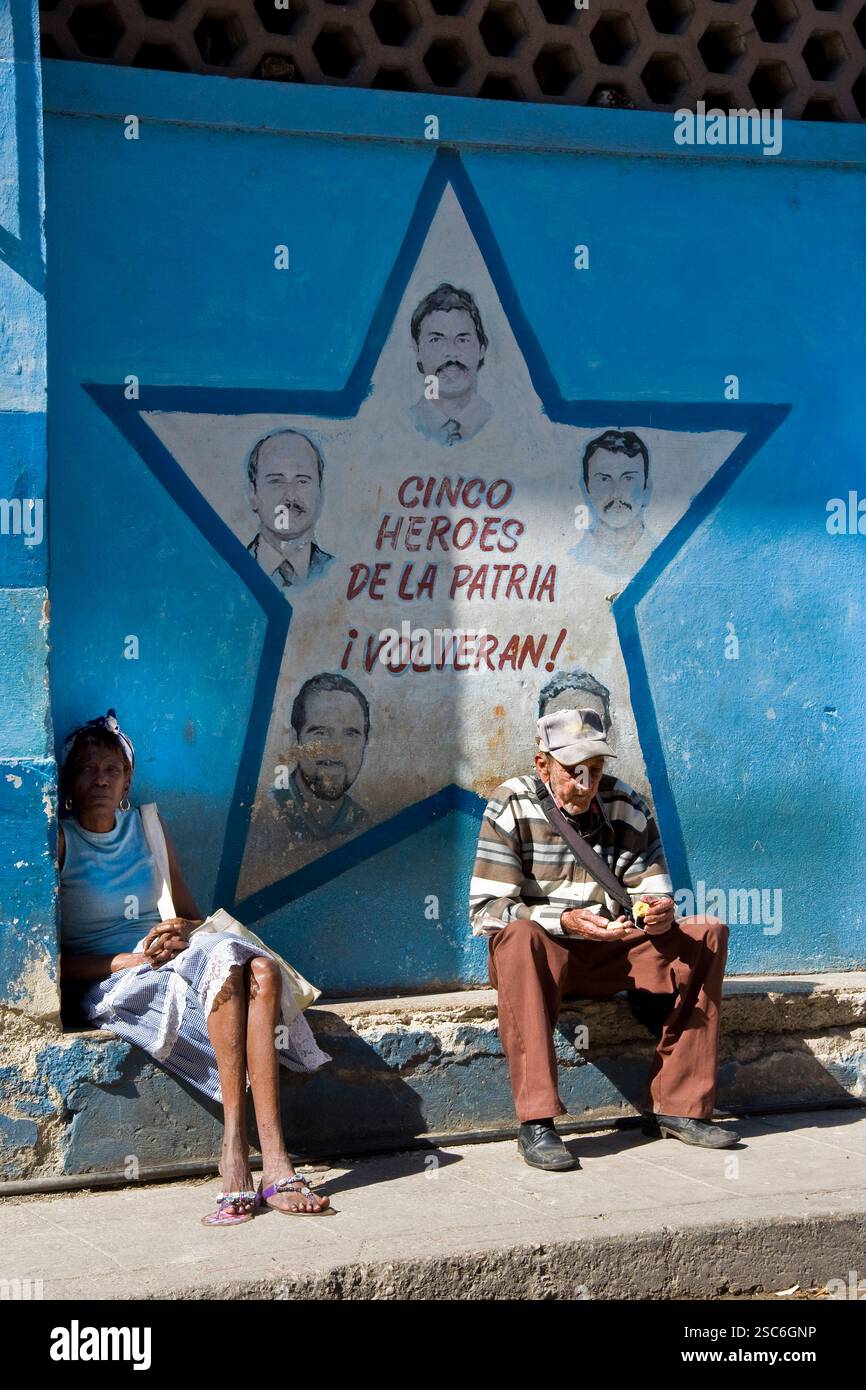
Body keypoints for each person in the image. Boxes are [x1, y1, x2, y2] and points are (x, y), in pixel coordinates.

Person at [58, 709, 333, 1222]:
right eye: (87, 769)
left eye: (110, 769)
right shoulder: (61, 842)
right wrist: (126, 959)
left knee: (262, 971)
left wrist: (180, 935)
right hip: (111, 981)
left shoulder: (148, 831)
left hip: (170, 963)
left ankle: (272, 1158)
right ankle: (236, 1149)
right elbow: (46, 966)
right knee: (234, 971)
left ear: (127, 780)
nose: (99, 779)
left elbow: (193, 919)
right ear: (69, 781)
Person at [469, 706, 739, 1171]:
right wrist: (565, 921)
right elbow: (486, 909)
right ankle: (536, 1122)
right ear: (543, 764)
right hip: (545, 955)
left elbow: (652, 891)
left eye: (595, 771)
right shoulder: (510, 804)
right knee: (516, 937)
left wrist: (657, 914)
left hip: (615, 948)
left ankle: (678, 1105)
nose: (585, 784)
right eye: (574, 772)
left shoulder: (626, 804)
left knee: (706, 933)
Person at [272, 673, 371, 844]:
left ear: (365, 742)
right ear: (295, 739)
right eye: (321, 733)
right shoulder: (268, 811)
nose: (335, 749)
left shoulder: (365, 825)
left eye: (350, 734)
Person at [246, 428, 334, 592]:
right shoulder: (230, 571)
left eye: (302, 481)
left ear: (319, 492)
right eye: (276, 481)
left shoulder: (340, 573)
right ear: (253, 494)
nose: (290, 496)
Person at [409, 283, 492, 445]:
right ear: (417, 350)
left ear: (482, 349)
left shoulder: (501, 423)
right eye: (436, 340)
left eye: (462, 339)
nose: (451, 352)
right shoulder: (400, 426)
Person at [571, 429, 659, 577]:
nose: (616, 493)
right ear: (586, 489)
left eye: (628, 479)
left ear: (647, 489)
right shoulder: (573, 560)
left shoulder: (661, 557)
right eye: (604, 479)